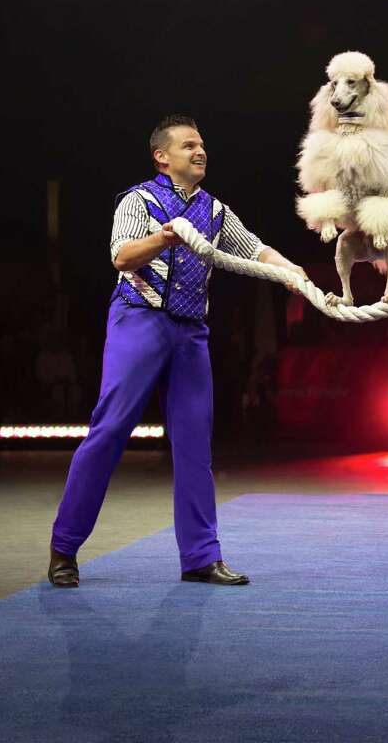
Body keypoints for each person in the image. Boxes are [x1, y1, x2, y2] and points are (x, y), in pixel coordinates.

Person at [48, 116, 306, 587]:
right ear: (162, 157)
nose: (200, 151)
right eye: (189, 145)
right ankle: (64, 548)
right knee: (109, 431)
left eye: (202, 144)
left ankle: (201, 557)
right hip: (139, 320)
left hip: (190, 333)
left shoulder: (214, 211)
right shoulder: (138, 200)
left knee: (193, 444)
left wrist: (296, 274)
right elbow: (121, 257)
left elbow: (255, 250)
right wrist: (167, 235)